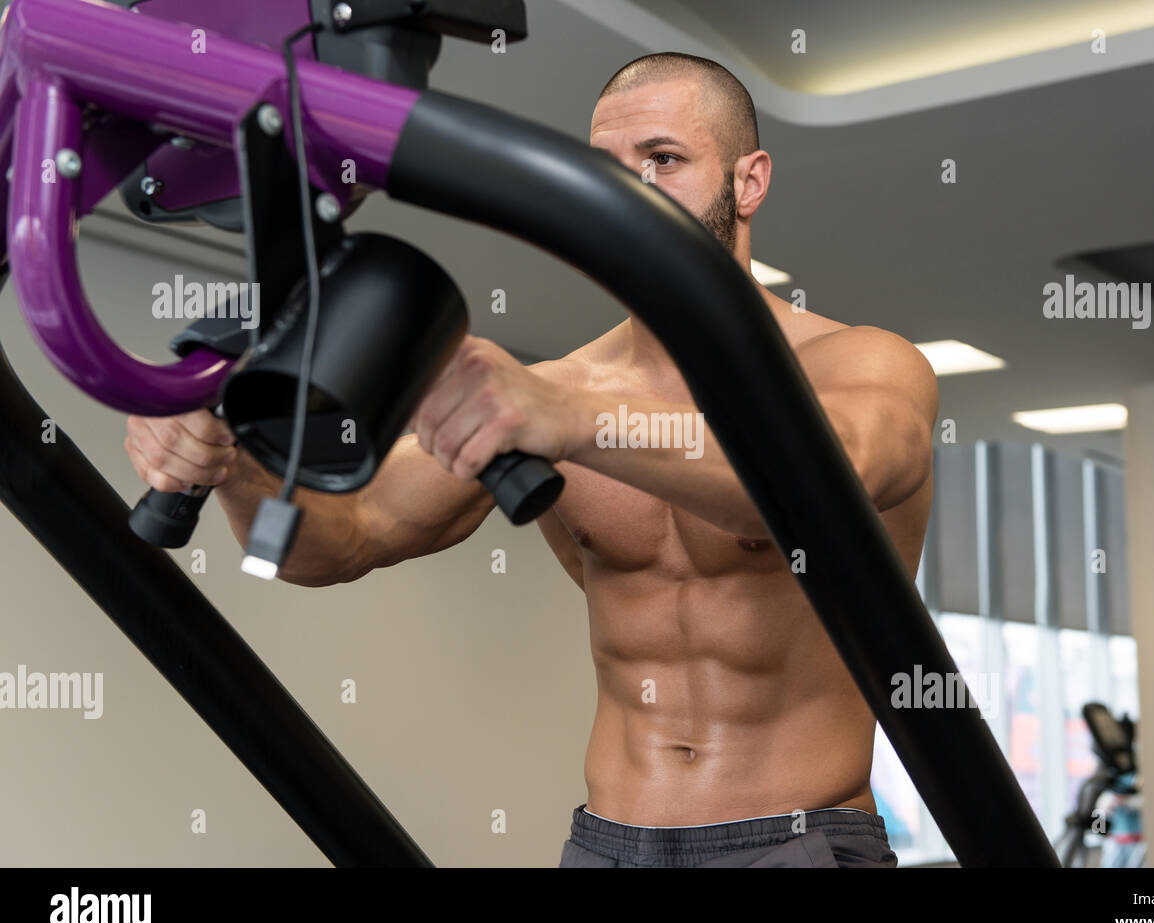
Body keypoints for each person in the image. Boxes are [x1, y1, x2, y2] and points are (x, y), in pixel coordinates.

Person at [124, 52, 939, 868]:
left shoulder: (865, 367)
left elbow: (814, 487)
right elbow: (342, 540)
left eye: (663, 160)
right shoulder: (551, 393)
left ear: (749, 180)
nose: (627, 198)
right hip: (605, 843)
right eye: (603, 172)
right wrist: (233, 464)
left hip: (795, 844)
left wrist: (574, 419)